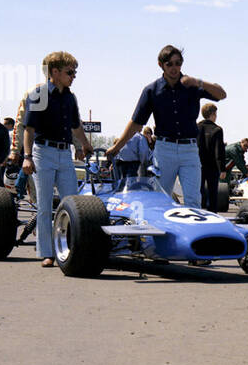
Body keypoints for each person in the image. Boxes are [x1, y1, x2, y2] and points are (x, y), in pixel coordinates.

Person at [104, 45, 225, 208]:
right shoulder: (151, 90)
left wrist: (198, 82)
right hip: (164, 150)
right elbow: (136, 123)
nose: (175, 68)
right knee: (160, 200)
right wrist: (117, 147)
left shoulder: (192, 86)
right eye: (170, 64)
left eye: (178, 63)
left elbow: (221, 94)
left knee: (193, 200)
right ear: (161, 65)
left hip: (189, 150)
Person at [21, 51, 93, 267]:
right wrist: (26, 156)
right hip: (43, 152)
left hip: (65, 153)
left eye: (75, 72)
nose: (73, 76)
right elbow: (29, 129)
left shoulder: (70, 97)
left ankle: (71, 246)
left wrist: (84, 145)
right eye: (69, 72)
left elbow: (75, 126)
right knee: (44, 205)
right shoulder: (39, 94)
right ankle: (47, 252)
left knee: (72, 203)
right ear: (55, 72)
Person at [197, 102, 226, 211]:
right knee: (212, 192)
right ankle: (212, 213)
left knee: (198, 191)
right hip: (212, 165)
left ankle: (198, 212)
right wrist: (222, 168)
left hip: (197, 164)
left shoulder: (196, 127)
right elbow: (219, 150)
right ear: (213, 114)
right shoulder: (217, 129)